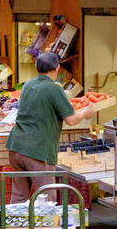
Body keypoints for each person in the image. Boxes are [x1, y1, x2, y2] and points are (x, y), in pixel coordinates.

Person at [5, 52, 92, 203]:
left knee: (18, 198)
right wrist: (85, 112)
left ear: (36, 67)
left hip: (16, 147)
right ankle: (46, 227)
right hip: (37, 151)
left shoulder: (28, 85)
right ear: (57, 68)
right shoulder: (54, 89)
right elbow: (71, 120)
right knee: (46, 199)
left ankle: (16, 226)